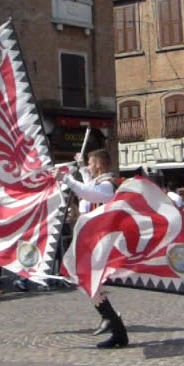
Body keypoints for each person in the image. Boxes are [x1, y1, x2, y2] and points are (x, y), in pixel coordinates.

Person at [61, 148, 125, 349]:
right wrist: (81, 167)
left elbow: (89, 193)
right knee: (84, 279)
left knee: (85, 277)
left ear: (99, 164)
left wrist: (68, 179)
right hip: (93, 240)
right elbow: (89, 186)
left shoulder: (109, 185)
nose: (88, 165)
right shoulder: (101, 183)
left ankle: (112, 322)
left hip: (104, 241)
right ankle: (114, 326)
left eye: (90, 162)